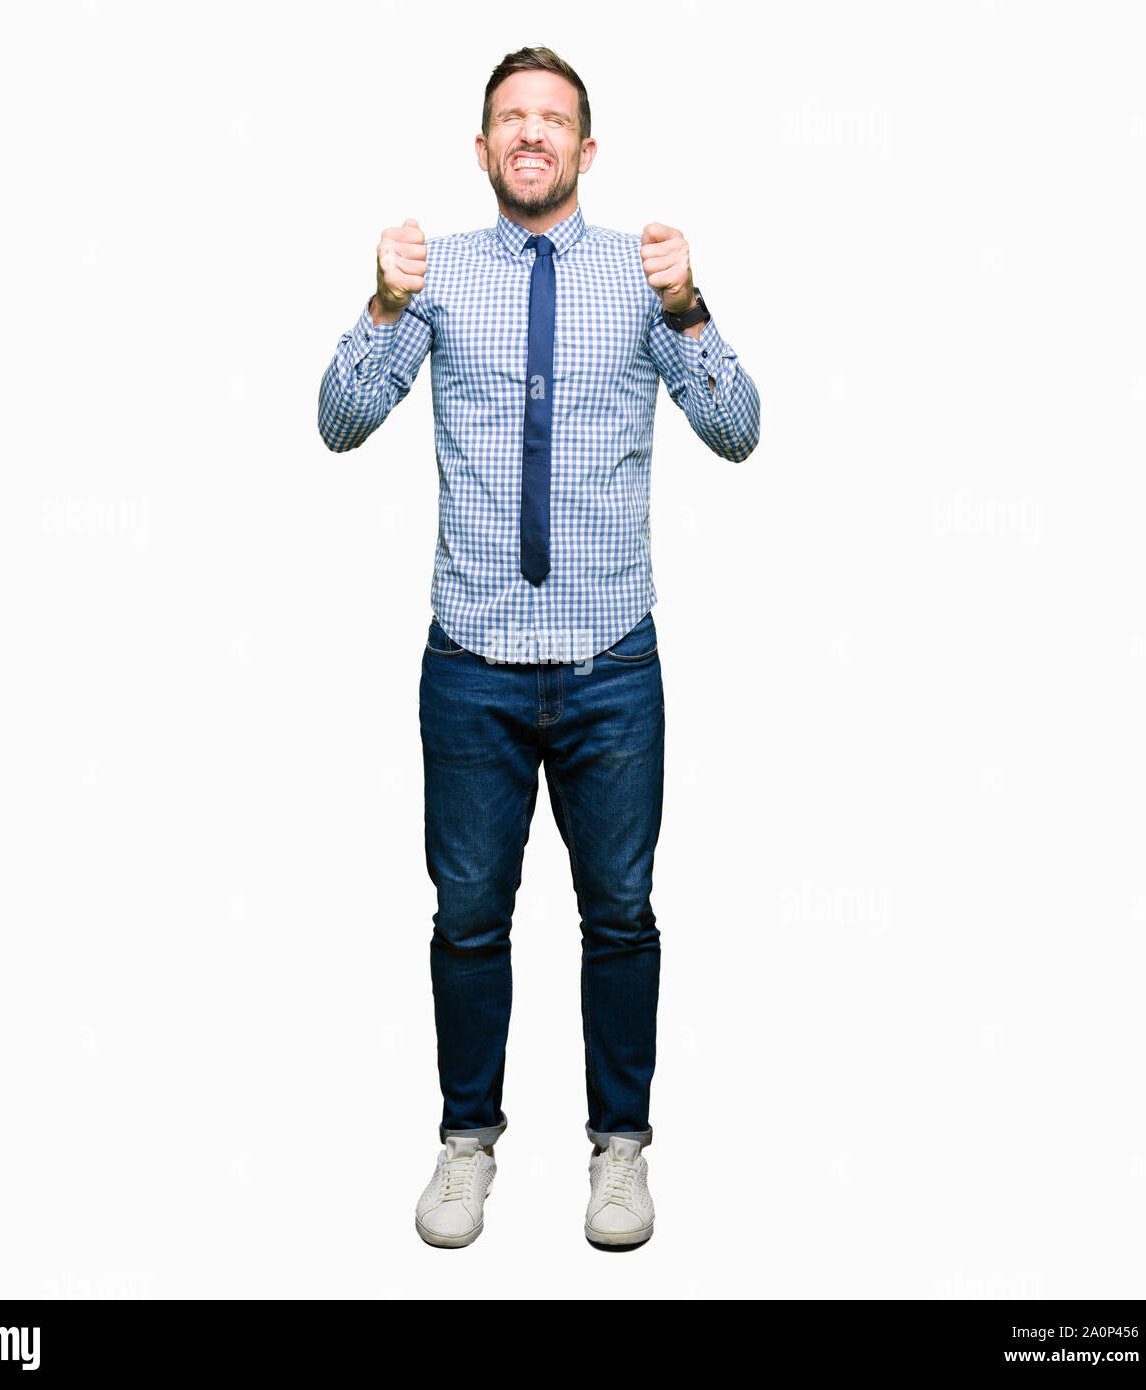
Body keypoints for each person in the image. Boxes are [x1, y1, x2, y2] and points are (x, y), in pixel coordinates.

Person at [317, 45, 760, 1251]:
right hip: (471, 665)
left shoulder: (640, 274)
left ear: (584, 149)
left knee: (618, 913)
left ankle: (620, 1151)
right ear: (481, 149)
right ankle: (467, 1145)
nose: (529, 135)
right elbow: (340, 425)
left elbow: (737, 430)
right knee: (467, 915)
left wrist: (690, 307)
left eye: (551, 119)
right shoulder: (438, 276)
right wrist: (381, 306)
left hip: (613, 663)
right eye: (509, 118)